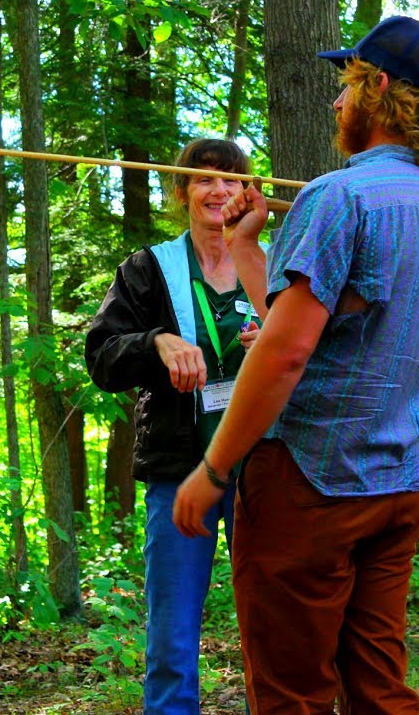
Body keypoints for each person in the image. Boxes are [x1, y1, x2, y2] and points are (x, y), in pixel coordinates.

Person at [171, 15, 419, 715]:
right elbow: (318, 325)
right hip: (395, 482)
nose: (337, 103)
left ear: (379, 87)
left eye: (348, 85)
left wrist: (214, 469)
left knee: (292, 695)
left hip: (311, 484)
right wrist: (248, 249)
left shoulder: (338, 197)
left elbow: (286, 351)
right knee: (378, 691)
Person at [84, 138, 263, 715]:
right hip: (178, 472)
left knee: (275, 627)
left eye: (231, 180)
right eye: (205, 180)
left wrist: (277, 344)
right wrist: (154, 341)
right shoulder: (148, 268)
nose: (219, 191)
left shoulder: (274, 264)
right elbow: (102, 356)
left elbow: (321, 354)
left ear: (247, 192)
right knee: (172, 635)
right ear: (181, 191)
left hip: (266, 471)